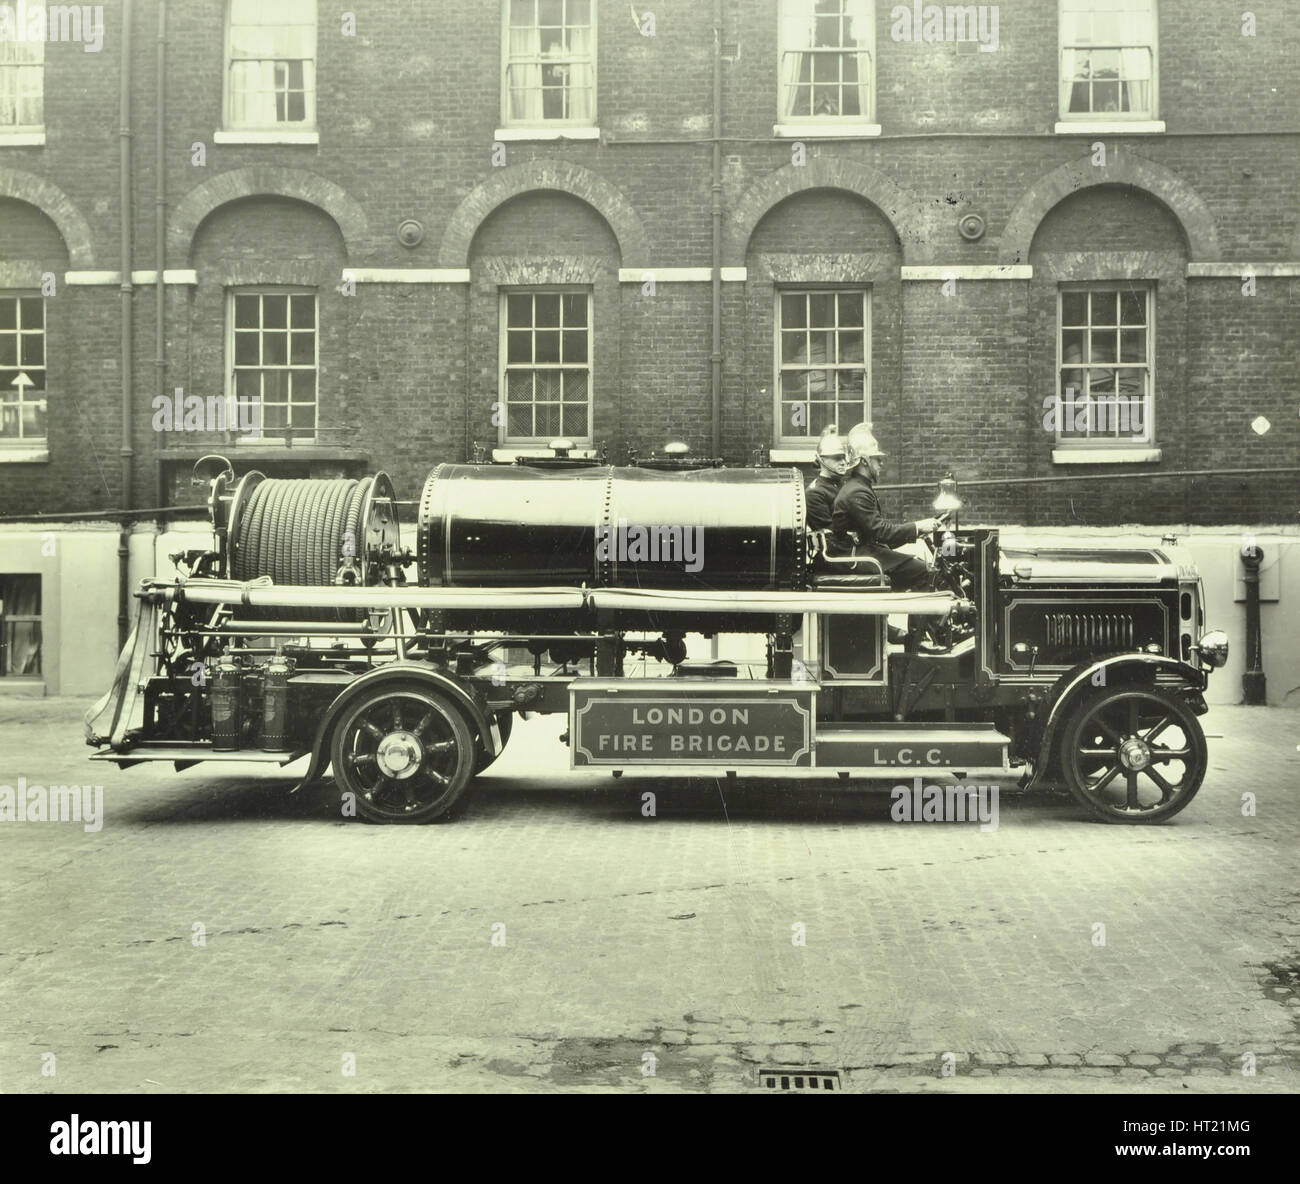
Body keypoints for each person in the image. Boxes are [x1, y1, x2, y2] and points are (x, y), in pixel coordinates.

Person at [830, 422, 943, 649]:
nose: (881, 464)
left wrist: (914, 533)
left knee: (917, 566)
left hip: (861, 551)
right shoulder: (857, 492)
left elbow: (879, 532)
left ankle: (910, 631)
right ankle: (917, 640)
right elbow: (880, 531)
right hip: (856, 556)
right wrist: (918, 527)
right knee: (922, 572)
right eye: (877, 459)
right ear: (864, 461)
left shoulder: (857, 487)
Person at [805, 427, 847, 532]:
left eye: (843, 457)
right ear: (822, 460)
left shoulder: (841, 484)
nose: (843, 462)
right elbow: (830, 534)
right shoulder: (815, 493)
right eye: (837, 458)